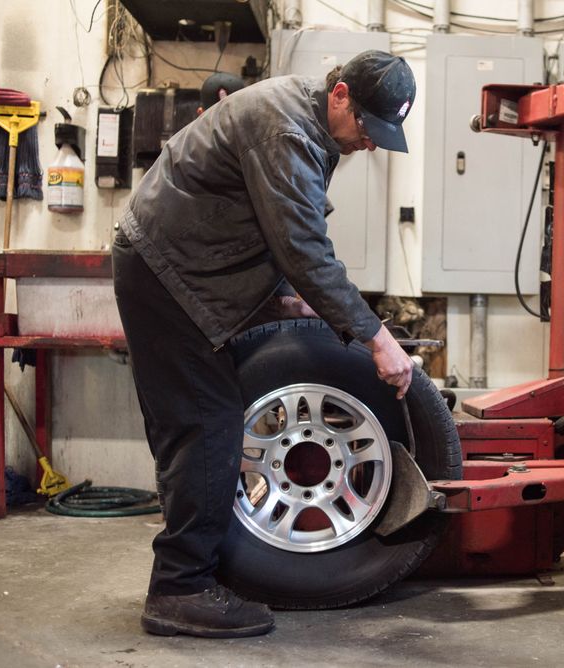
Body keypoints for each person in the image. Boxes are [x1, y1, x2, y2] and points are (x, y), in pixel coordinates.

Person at [111, 50, 416, 638]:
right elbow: (302, 246)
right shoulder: (284, 126)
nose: (372, 145)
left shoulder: (308, 120)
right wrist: (377, 338)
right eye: (369, 128)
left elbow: (273, 226)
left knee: (199, 427)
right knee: (206, 425)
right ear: (342, 95)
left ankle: (193, 571)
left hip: (187, 269)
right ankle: (179, 589)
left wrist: (296, 299)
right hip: (168, 274)